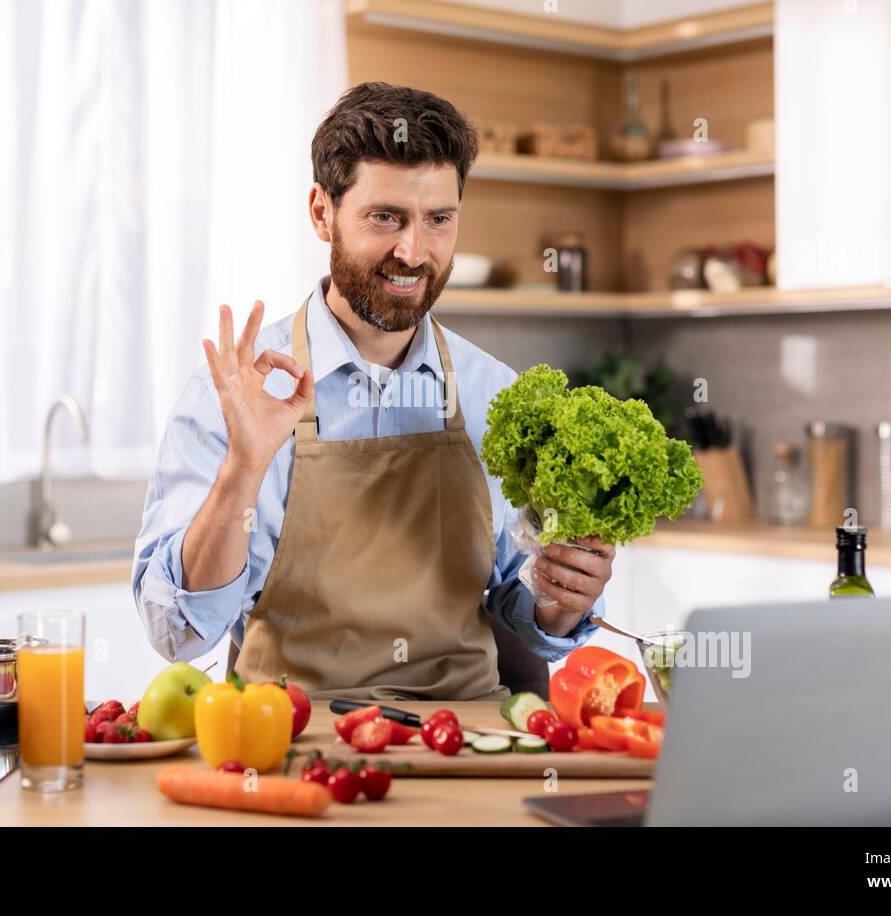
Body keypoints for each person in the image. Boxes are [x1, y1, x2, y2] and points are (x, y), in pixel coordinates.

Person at [133, 82, 615, 700]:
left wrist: (561, 599)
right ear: (321, 213)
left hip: (464, 739)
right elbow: (178, 633)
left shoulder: (496, 394)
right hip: (292, 739)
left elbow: (519, 608)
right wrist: (242, 468)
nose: (413, 252)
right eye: (385, 217)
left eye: (438, 220)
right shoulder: (237, 394)